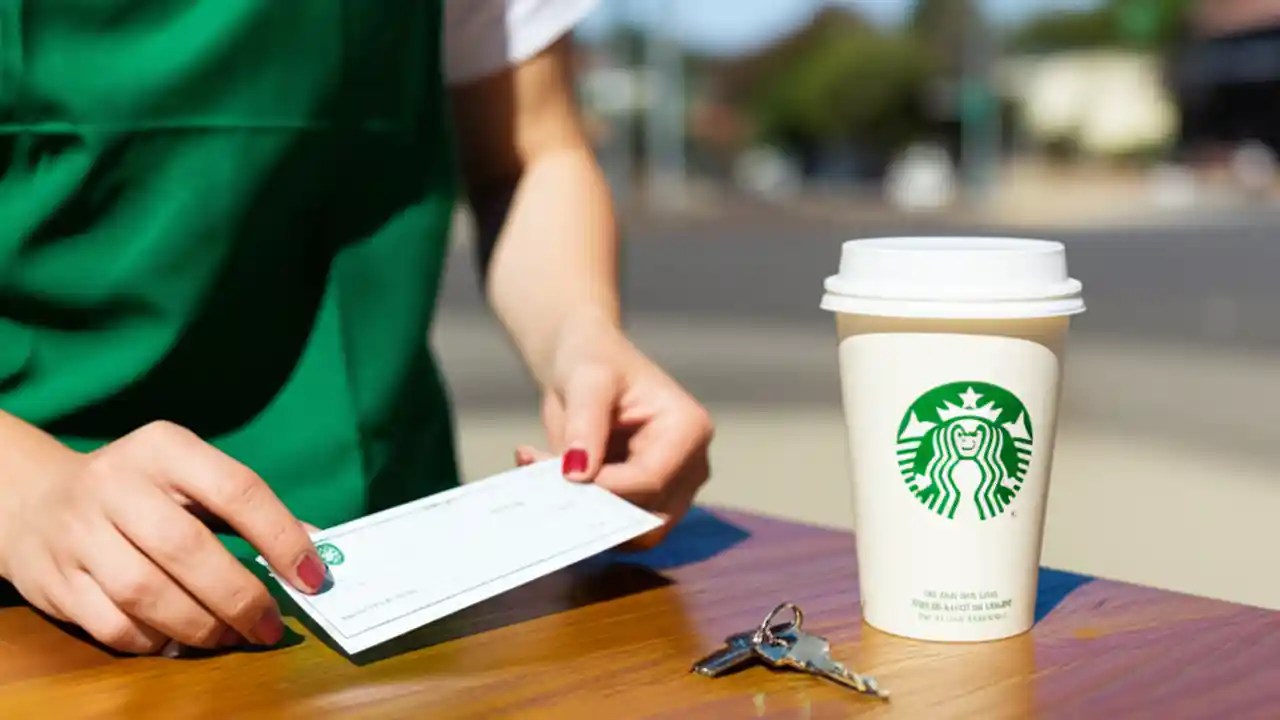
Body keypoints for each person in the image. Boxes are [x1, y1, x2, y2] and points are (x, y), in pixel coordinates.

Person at [0, 0, 713, 655]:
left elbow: (530, 152)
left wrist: (581, 336)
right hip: (45, 591)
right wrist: (28, 491)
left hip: (394, 565)